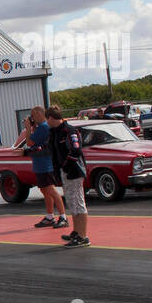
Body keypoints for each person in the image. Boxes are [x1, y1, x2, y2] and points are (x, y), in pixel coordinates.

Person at [47, 106, 90, 248]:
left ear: (51, 118)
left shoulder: (69, 131)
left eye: (48, 119)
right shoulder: (54, 132)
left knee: (78, 202)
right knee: (72, 202)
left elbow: (76, 150)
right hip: (65, 172)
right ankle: (77, 232)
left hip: (74, 171)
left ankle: (83, 236)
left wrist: (66, 165)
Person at [21, 105, 67, 229]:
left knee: (50, 190)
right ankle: (50, 216)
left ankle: (63, 216)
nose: (32, 118)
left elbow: (30, 142)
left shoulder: (43, 128)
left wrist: (27, 129)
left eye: (33, 115)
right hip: (40, 164)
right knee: (45, 190)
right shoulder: (41, 128)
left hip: (45, 164)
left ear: (40, 115)